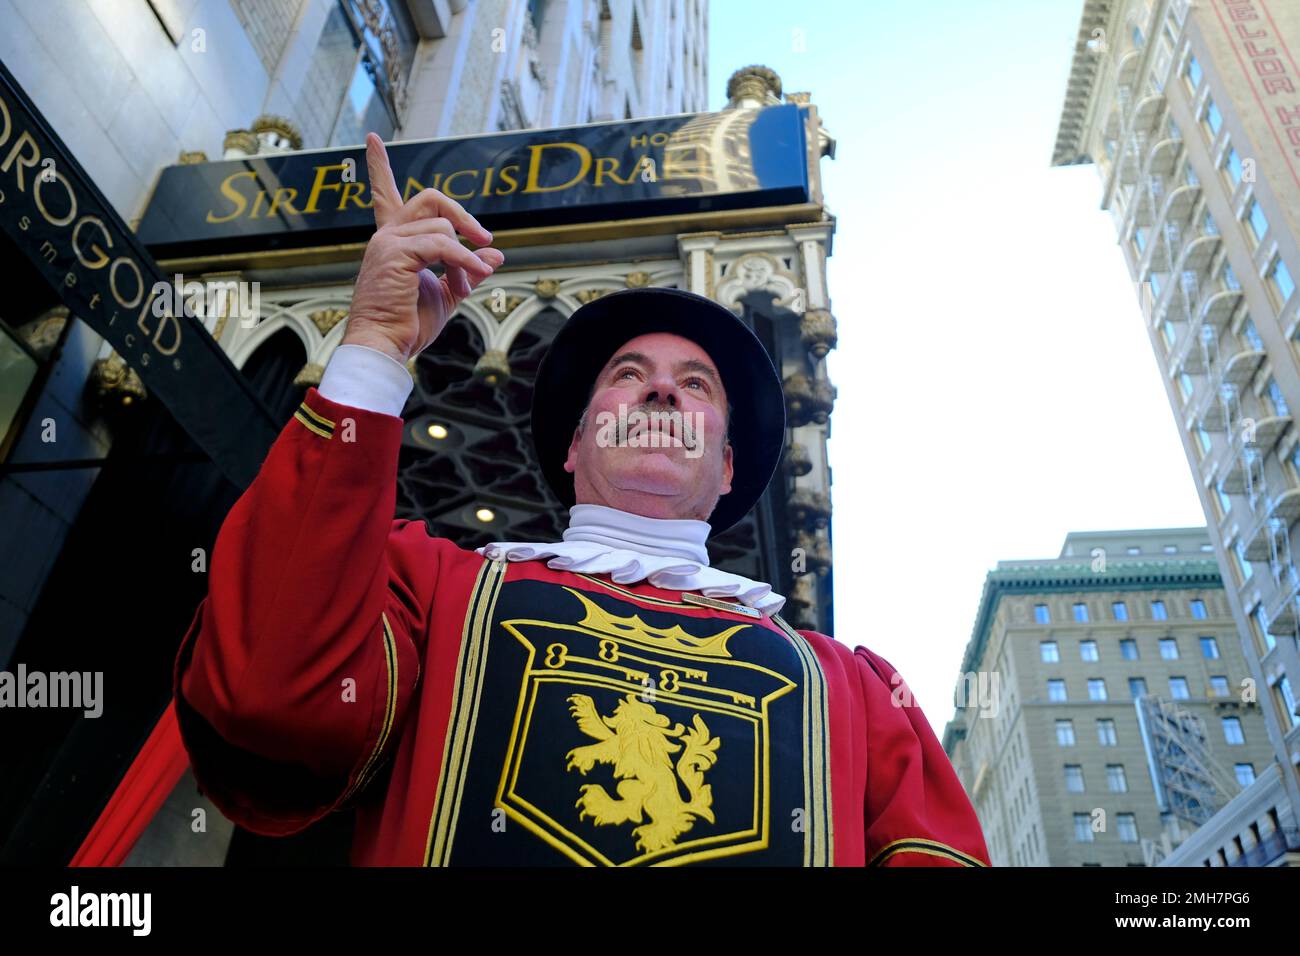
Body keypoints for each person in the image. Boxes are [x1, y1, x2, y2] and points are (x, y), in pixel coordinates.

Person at [172, 133, 990, 867]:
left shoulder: (854, 694)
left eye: (694, 384)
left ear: (730, 466)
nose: (662, 389)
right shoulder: (428, 592)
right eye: (628, 374)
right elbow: (267, 695)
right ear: (573, 445)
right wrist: (375, 349)